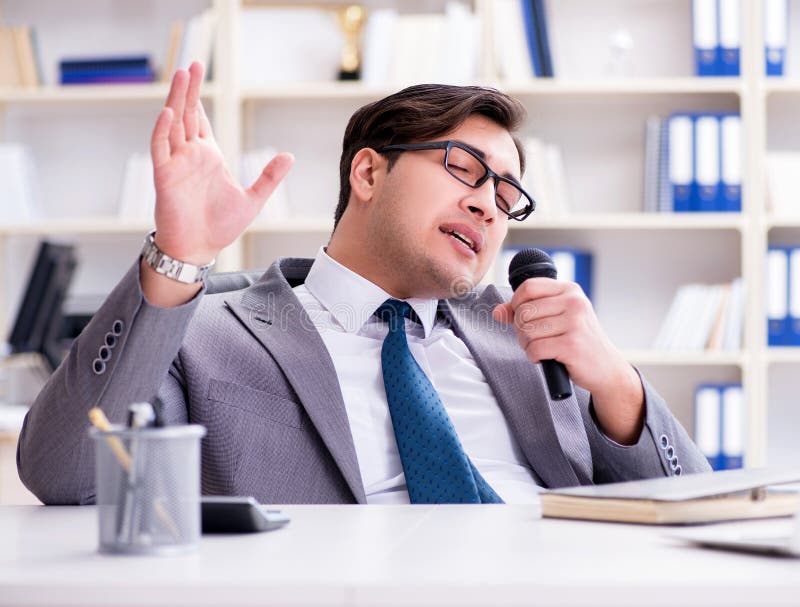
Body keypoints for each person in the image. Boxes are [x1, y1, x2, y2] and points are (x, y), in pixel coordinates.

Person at [18, 63, 710, 505]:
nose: (487, 206)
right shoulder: (208, 332)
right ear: (369, 174)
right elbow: (62, 472)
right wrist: (178, 254)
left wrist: (618, 386)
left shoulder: (531, 341)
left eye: (506, 196)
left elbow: (693, 509)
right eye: (466, 169)